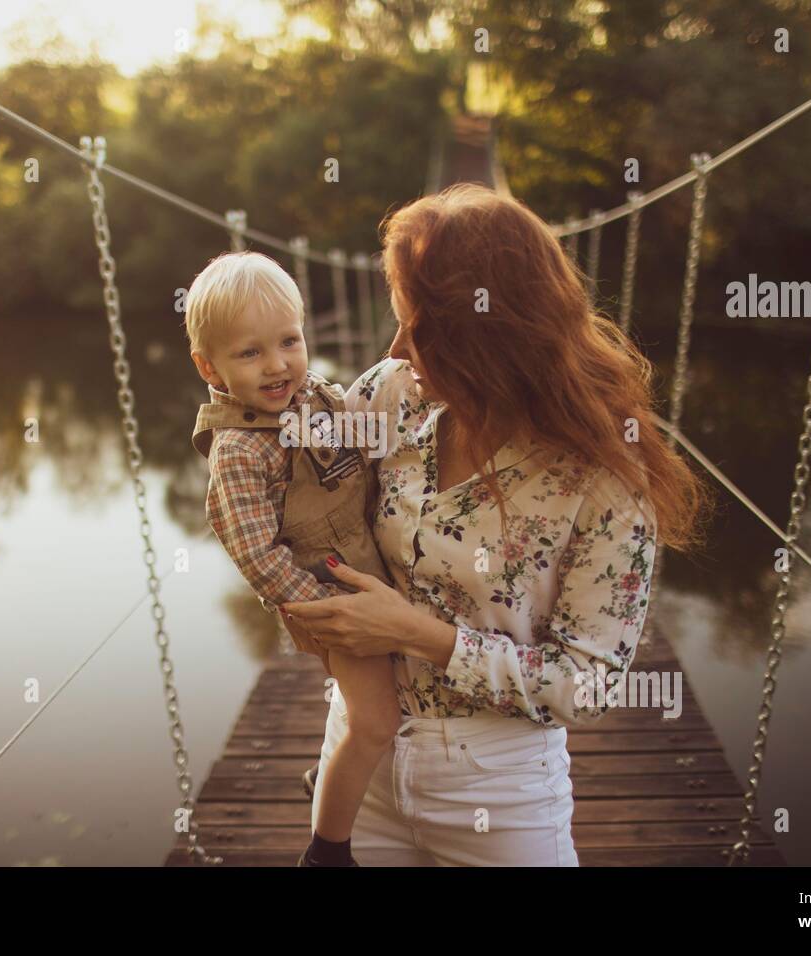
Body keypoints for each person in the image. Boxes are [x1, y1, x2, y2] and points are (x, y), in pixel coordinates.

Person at [281, 183, 707, 865]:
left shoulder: (604, 481)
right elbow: (289, 463)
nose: (394, 347)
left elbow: (587, 686)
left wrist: (418, 634)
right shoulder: (395, 395)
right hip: (358, 767)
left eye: (415, 328)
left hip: (500, 795)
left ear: (485, 337)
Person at [185, 250, 403, 868]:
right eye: (250, 353)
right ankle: (327, 847)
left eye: (289, 340)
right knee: (375, 720)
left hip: (369, 571)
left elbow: (371, 433)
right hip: (332, 601)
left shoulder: (317, 398)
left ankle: (331, 774)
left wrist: (407, 369)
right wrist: (330, 611)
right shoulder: (239, 451)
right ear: (211, 367)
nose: (278, 365)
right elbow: (256, 553)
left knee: (400, 690)